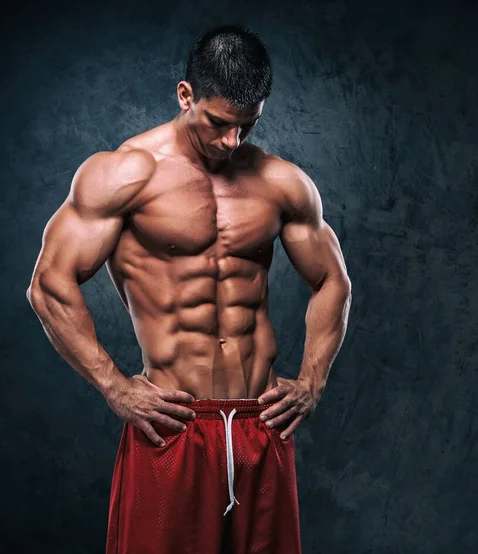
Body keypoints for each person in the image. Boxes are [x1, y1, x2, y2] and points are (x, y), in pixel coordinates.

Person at [26, 23, 352, 554]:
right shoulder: (125, 173)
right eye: (219, 122)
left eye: (247, 126)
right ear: (185, 95)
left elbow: (332, 280)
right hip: (173, 425)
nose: (232, 141)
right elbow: (50, 285)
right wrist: (114, 385)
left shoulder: (280, 182)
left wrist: (313, 381)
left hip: (260, 426)